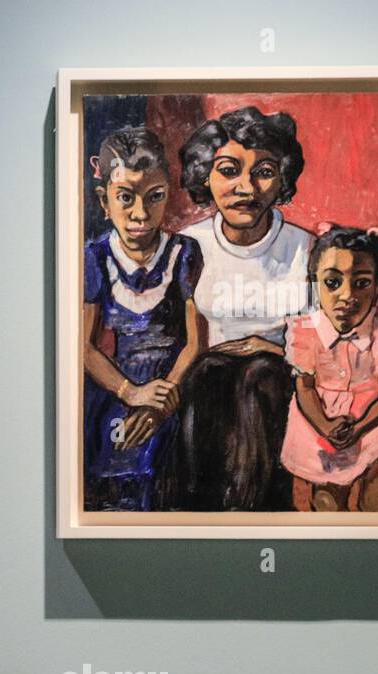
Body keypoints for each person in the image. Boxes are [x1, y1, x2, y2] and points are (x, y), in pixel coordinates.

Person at [160, 106, 313, 511]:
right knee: (212, 375)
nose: (246, 186)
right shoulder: (187, 246)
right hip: (208, 387)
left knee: (258, 376)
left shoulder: (305, 249)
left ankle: (250, 514)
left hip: (281, 383)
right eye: (229, 170)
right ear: (204, 176)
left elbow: (322, 340)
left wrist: (269, 347)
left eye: (263, 171)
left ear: (281, 179)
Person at [82, 127, 205, 510]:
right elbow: (82, 348)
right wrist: (131, 393)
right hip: (116, 388)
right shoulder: (95, 257)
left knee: (169, 467)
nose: (140, 214)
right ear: (104, 201)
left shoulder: (184, 253)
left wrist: (161, 397)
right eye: (125, 198)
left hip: (172, 388)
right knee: (110, 458)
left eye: (154, 198)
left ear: (168, 194)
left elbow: (196, 342)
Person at [280, 225, 378, 511]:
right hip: (322, 421)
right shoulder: (305, 330)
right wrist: (326, 426)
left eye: (362, 283)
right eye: (332, 283)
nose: (347, 296)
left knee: (377, 493)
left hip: (374, 422)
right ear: (314, 285)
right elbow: (304, 389)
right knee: (327, 500)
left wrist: (359, 427)